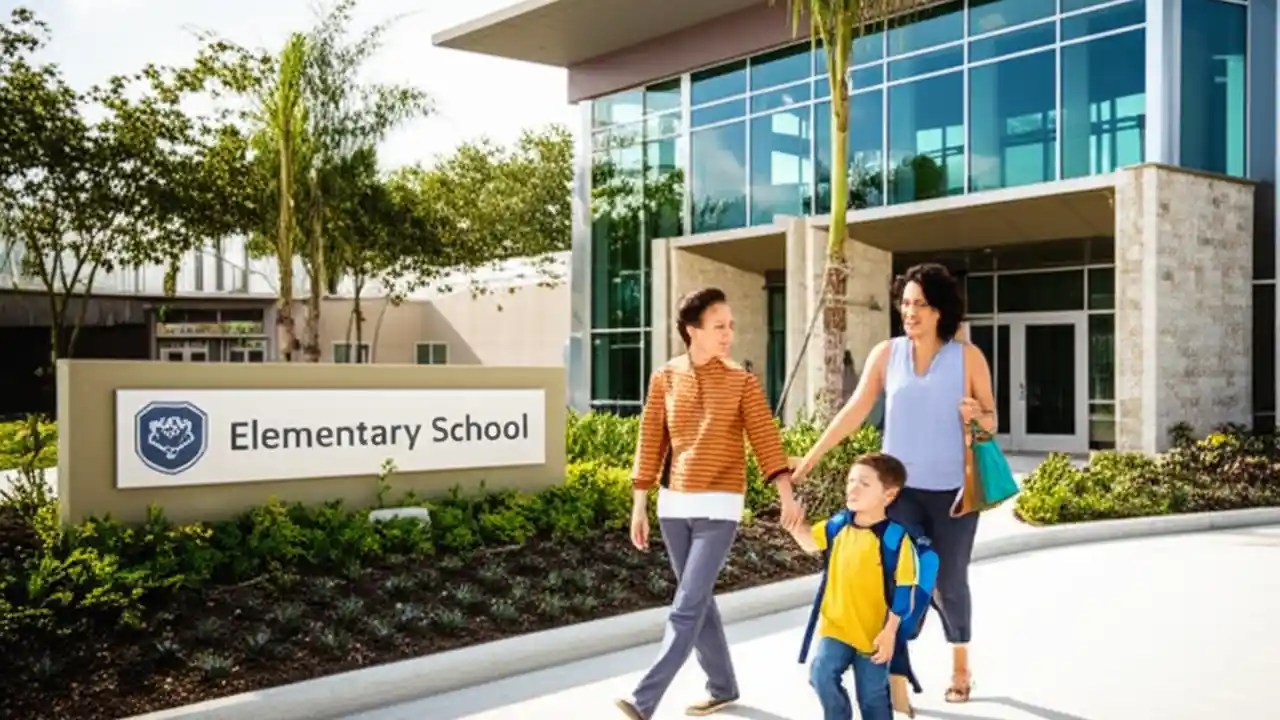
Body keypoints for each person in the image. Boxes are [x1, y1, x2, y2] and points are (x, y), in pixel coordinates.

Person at [791, 263, 996, 712]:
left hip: (952, 495)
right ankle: (896, 679)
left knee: (946, 581)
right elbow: (853, 411)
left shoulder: (968, 358)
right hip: (897, 493)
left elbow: (992, 421)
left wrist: (975, 416)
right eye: (905, 303)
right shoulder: (887, 354)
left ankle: (960, 663)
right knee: (894, 583)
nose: (910, 312)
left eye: (920, 304)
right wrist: (809, 460)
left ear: (940, 310)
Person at [616, 287, 803, 720]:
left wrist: (786, 497)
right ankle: (723, 685)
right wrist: (639, 504)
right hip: (673, 505)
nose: (728, 334)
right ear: (692, 330)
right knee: (698, 600)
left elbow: (765, 441)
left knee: (686, 605)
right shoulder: (665, 376)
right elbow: (651, 441)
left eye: (730, 326)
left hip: (720, 505)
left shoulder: (741, 380)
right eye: (719, 326)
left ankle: (644, 701)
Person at [783, 453, 916, 720]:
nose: (852, 488)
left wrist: (890, 633)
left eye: (864, 484)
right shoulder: (837, 525)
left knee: (873, 699)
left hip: (873, 635)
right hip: (837, 627)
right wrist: (796, 527)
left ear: (888, 495)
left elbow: (904, 590)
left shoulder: (895, 538)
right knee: (820, 674)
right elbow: (811, 543)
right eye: (851, 480)